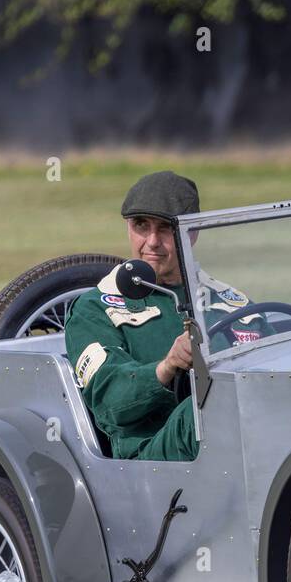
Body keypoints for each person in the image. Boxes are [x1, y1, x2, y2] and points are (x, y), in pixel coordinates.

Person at [63, 170, 252, 461]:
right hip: (147, 458)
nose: (152, 241)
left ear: (193, 233)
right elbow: (110, 402)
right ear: (129, 227)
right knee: (208, 408)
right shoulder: (95, 308)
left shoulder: (229, 303)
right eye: (141, 226)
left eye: (165, 228)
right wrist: (167, 367)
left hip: (238, 438)